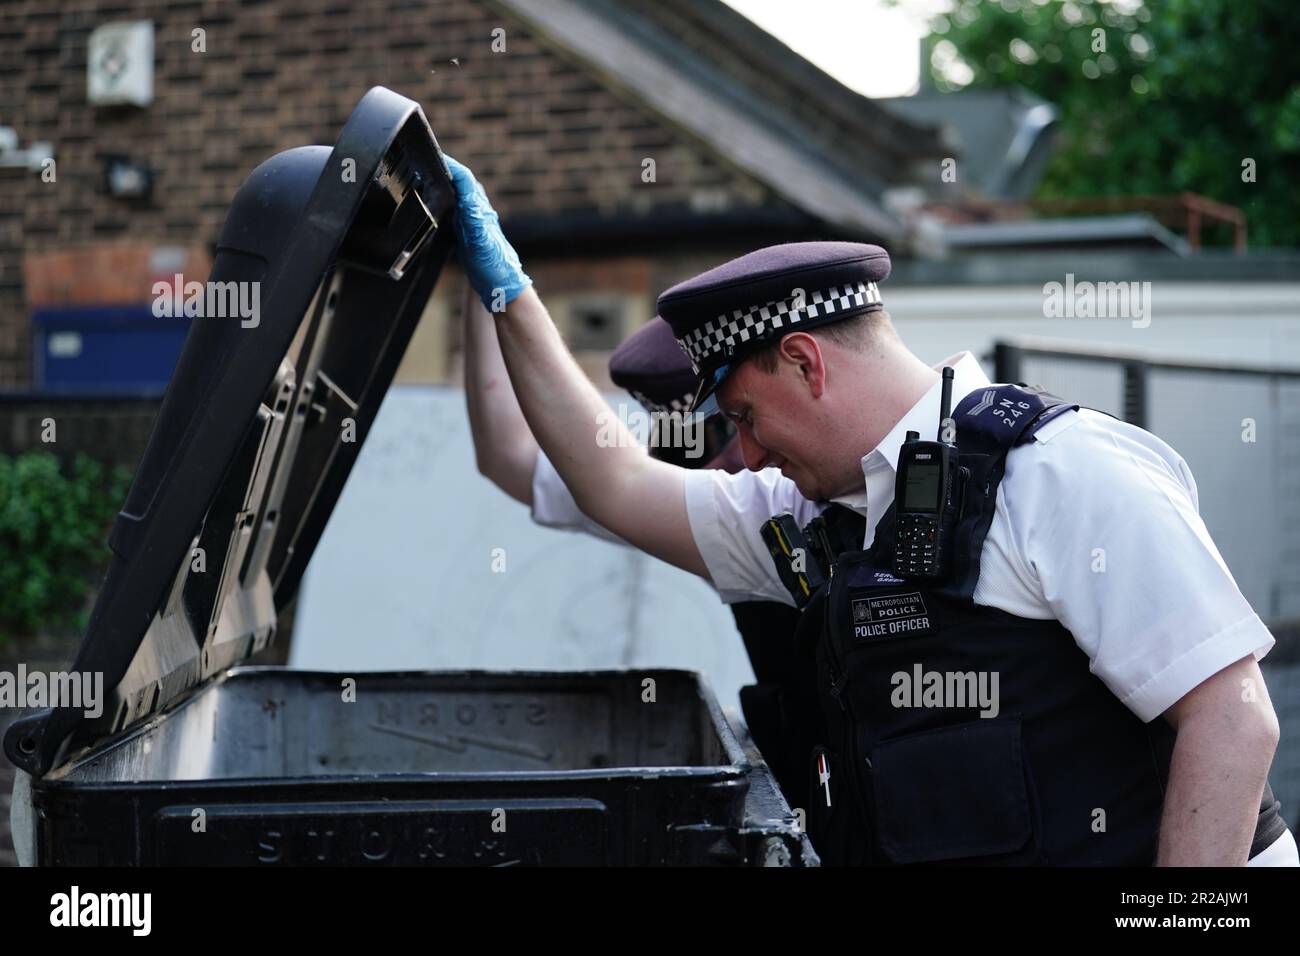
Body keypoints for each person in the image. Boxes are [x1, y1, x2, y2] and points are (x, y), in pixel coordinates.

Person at [442, 155, 1296, 866]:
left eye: (744, 418)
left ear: (806, 363)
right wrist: (503, 289)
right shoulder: (810, 517)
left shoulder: (1061, 472)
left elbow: (1231, 716)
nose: (749, 453)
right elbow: (613, 482)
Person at [461, 282, 848, 812]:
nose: (740, 473)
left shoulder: (842, 484)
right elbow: (509, 454)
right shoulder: (732, 511)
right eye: (704, 471)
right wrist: (486, 288)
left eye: (744, 424)